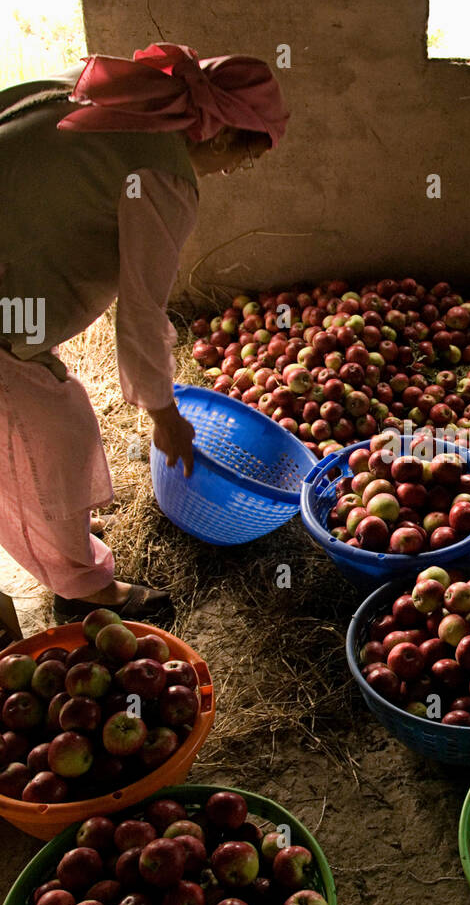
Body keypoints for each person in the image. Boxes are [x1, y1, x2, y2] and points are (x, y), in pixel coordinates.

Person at [0, 42, 289, 623]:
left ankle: (56, 527)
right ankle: (81, 586)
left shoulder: (106, 91)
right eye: (243, 158)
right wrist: (165, 417)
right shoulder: (163, 175)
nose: (233, 171)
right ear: (222, 134)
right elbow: (140, 312)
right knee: (57, 438)